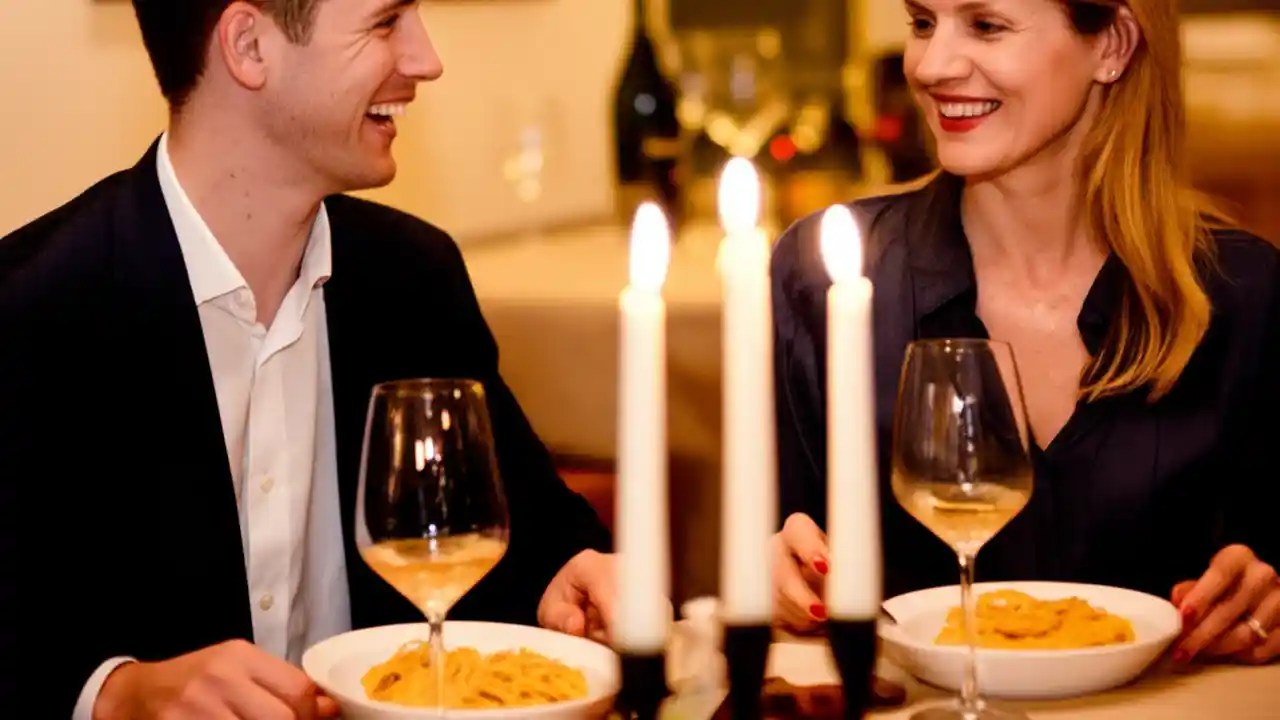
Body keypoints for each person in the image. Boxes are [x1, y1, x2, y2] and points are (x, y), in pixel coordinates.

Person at [0, 1, 617, 717]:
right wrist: (115, 695)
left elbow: (529, 539)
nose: (427, 60)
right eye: (385, 22)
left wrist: (566, 581)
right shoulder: (33, 310)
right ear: (249, 46)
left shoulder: (414, 277)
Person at [768, 0, 1279, 666]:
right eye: (922, 23)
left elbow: (1265, 567)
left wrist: (1268, 597)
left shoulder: (1244, 293)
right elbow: (782, 548)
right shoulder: (828, 275)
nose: (931, 65)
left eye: (986, 25)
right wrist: (775, 571)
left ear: (1112, 44)